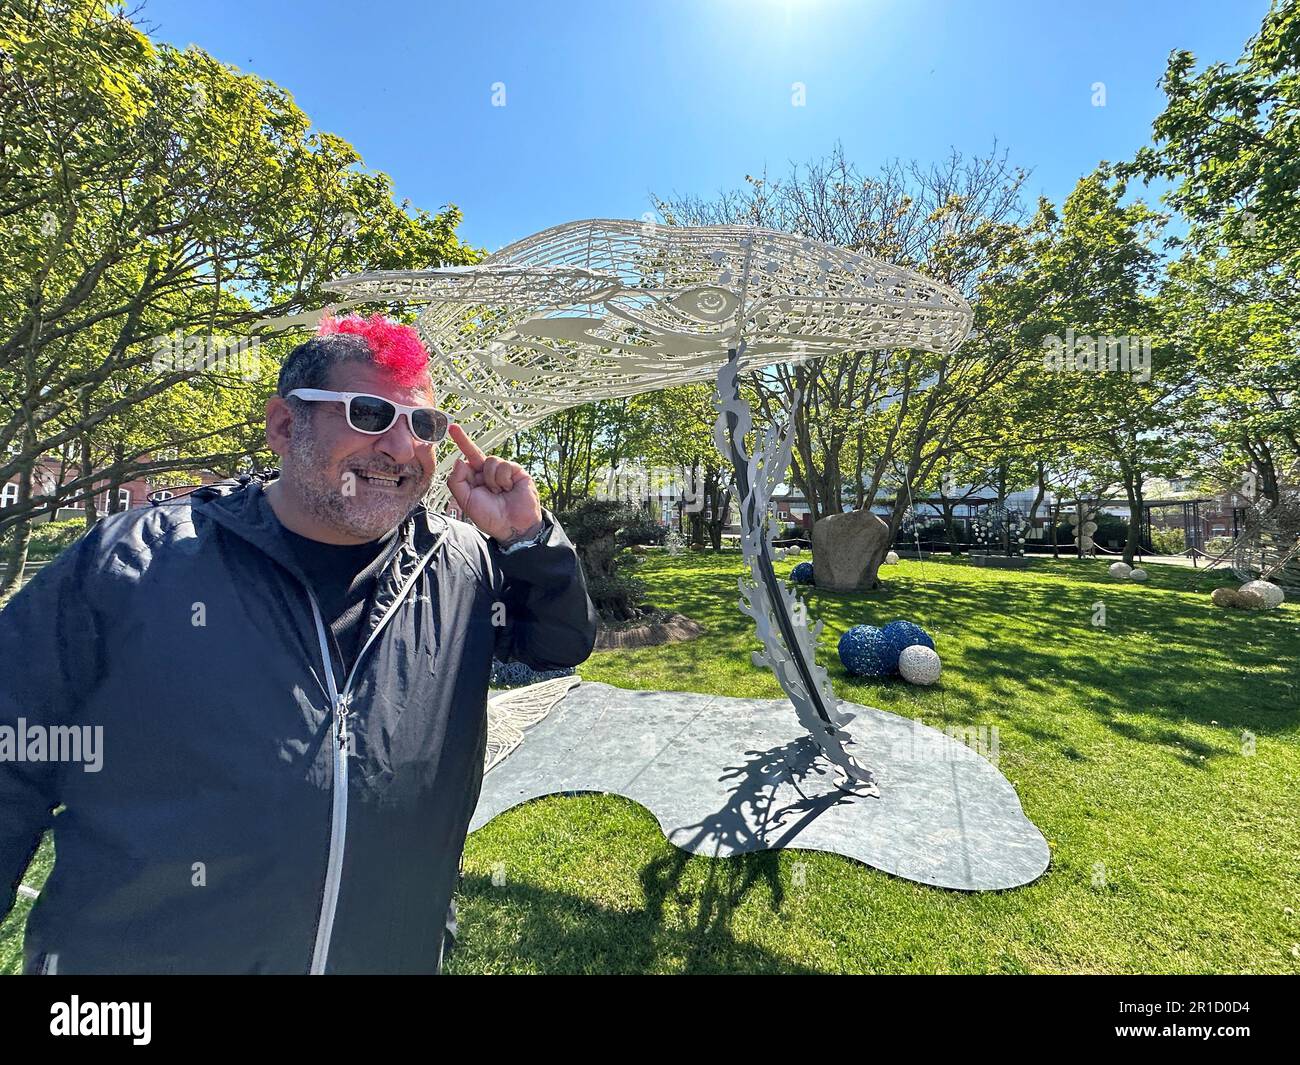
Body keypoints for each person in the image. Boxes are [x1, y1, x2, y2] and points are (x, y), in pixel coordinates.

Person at [0, 313, 597, 974]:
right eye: (369, 413)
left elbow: (558, 643)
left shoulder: (458, 565)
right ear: (285, 426)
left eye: (423, 425)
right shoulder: (136, 565)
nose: (402, 447)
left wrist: (527, 540)